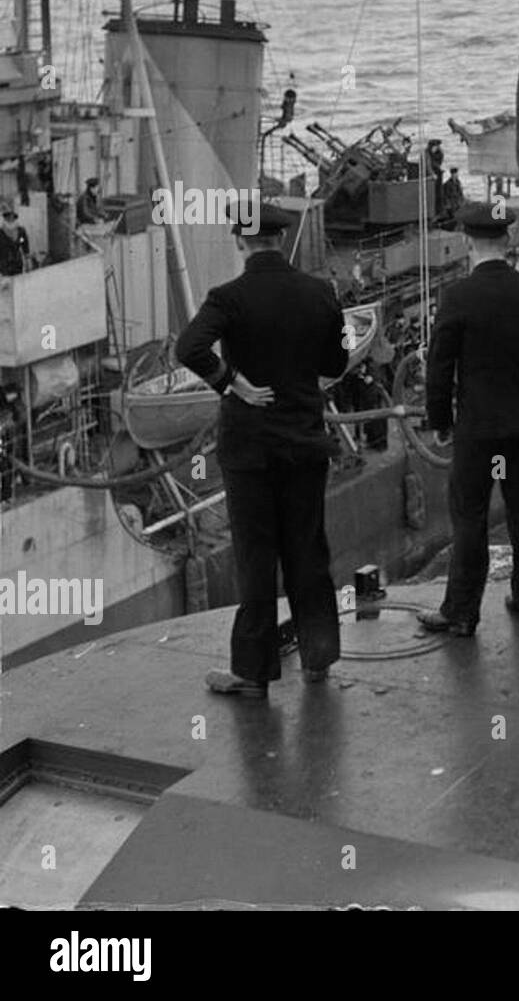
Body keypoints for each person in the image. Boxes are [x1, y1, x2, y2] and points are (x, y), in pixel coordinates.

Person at [176, 203, 349, 697]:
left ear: (240, 241)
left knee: (256, 558)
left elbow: (188, 348)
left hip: (250, 451)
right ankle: (318, 659)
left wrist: (233, 383)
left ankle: (253, 672)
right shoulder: (319, 292)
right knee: (308, 551)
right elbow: (335, 359)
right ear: (279, 237)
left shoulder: (227, 298)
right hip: (304, 442)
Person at [419, 201, 519, 637]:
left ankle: (461, 613)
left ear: (468, 243)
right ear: (506, 242)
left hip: (478, 431)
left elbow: (439, 368)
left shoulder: (457, 296)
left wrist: (440, 421)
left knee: (470, 518)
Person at [0, 202, 31, 275]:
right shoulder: (1, 233)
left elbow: (24, 244)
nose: (9, 219)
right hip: (4, 266)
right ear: (4, 218)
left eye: (11, 216)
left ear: (14, 217)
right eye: (6, 216)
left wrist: (27, 260)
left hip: (17, 264)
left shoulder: (21, 231)